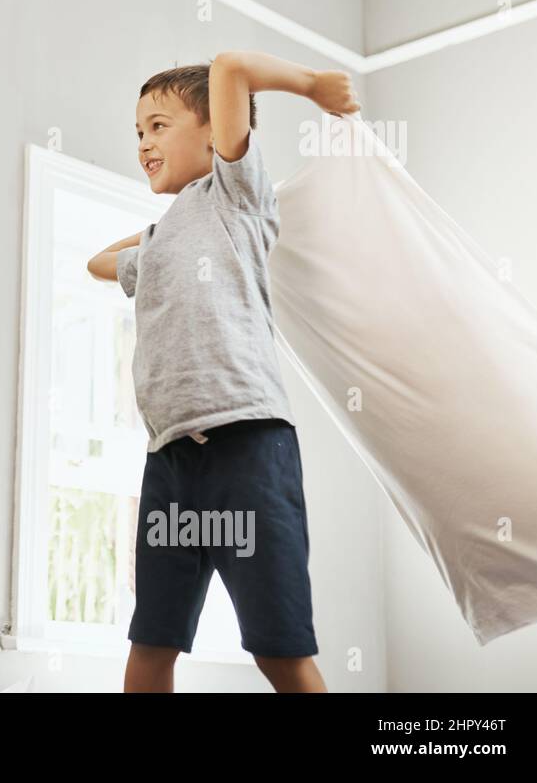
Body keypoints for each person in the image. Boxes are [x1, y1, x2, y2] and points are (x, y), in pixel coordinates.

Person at [86, 52, 358, 692]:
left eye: (158, 125)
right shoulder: (158, 241)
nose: (145, 143)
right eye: (139, 133)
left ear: (215, 133)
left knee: (279, 649)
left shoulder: (237, 196)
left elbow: (232, 66)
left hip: (247, 448)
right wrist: (160, 234)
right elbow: (98, 262)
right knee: (151, 643)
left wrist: (312, 85)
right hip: (171, 460)